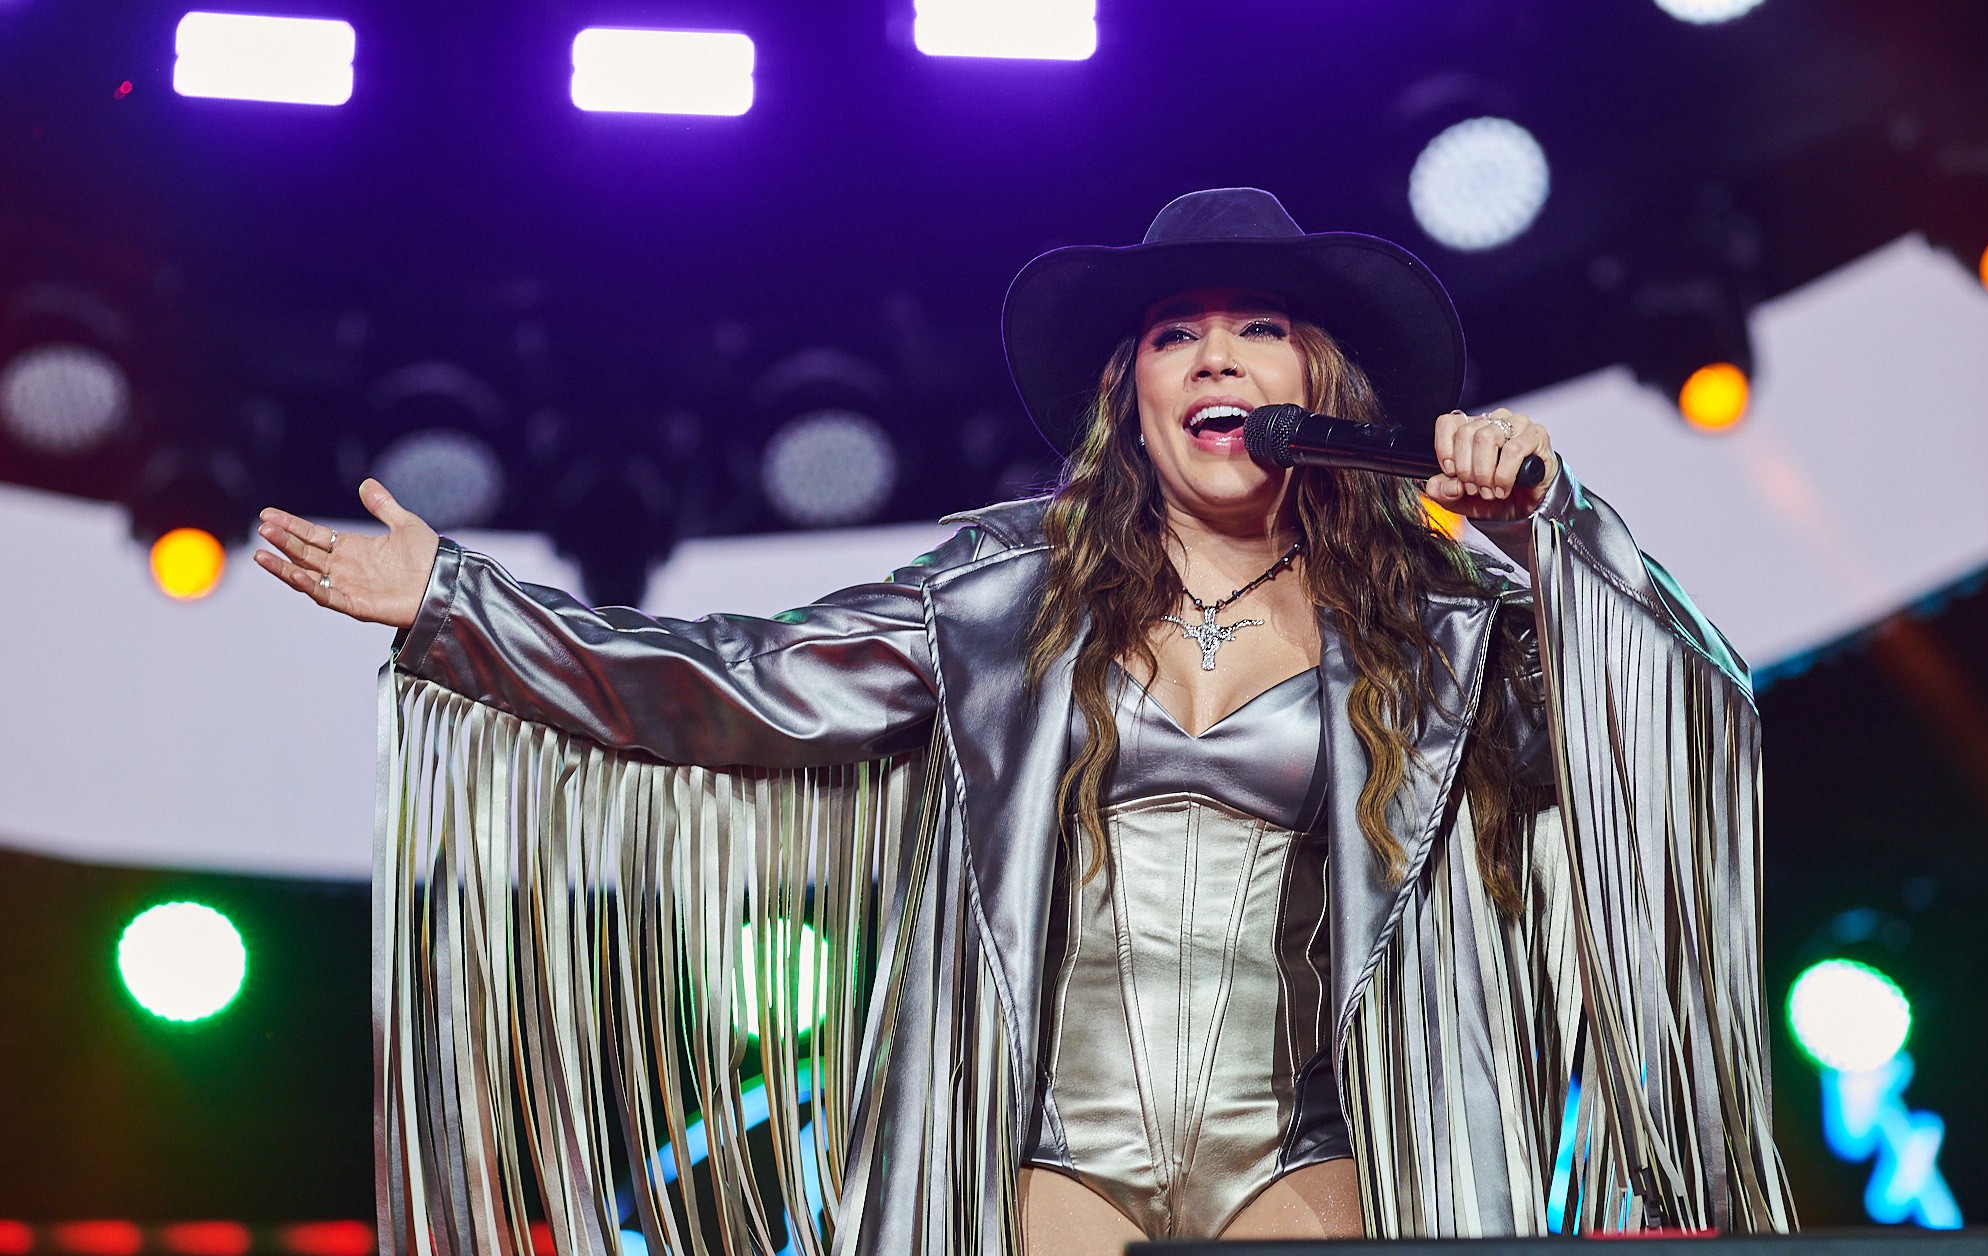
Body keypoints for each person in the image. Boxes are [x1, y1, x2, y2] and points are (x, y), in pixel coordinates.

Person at [255, 189, 1792, 1255]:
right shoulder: (1003, 592)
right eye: (1178, 335)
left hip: (1316, 1144)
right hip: (1049, 1142)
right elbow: (726, 675)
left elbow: (1672, 724)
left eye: (1257, 329)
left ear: (1316, 378)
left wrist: (1551, 533)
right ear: (1132, 393)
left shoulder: (1443, 627)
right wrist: (461, 599)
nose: (1216, 357)